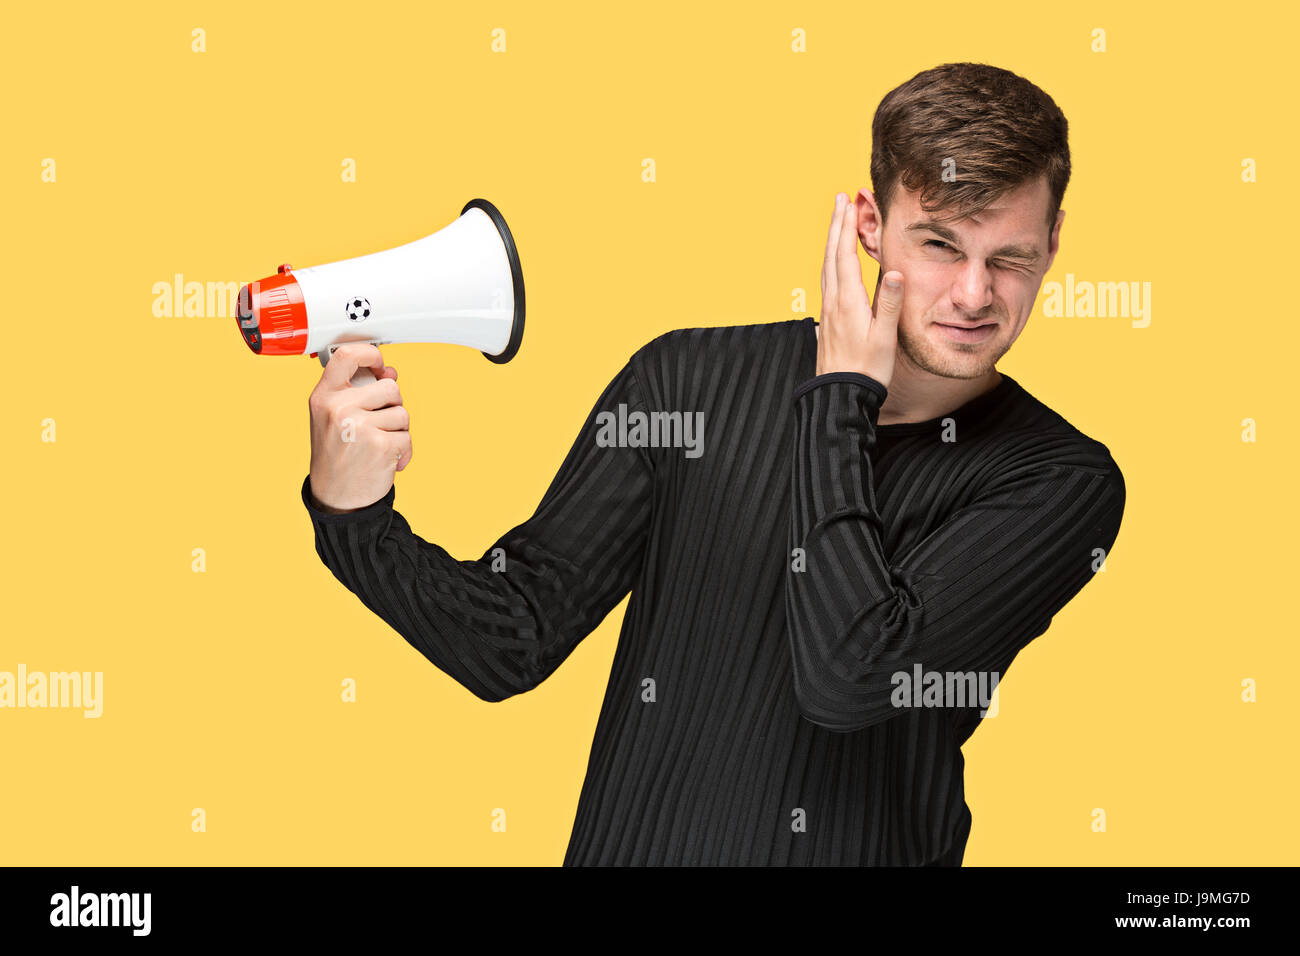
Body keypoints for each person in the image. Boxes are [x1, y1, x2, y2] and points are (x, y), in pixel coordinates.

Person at [301, 62, 1126, 866]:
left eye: (1010, 258)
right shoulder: (686, 380)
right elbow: (510, 642)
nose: (975, 295)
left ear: (1053, 243)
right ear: (870, 223)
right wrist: (353, 519)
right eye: (942, 244)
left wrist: (838, 398)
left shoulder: (1058, 481)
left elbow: (849, 677)